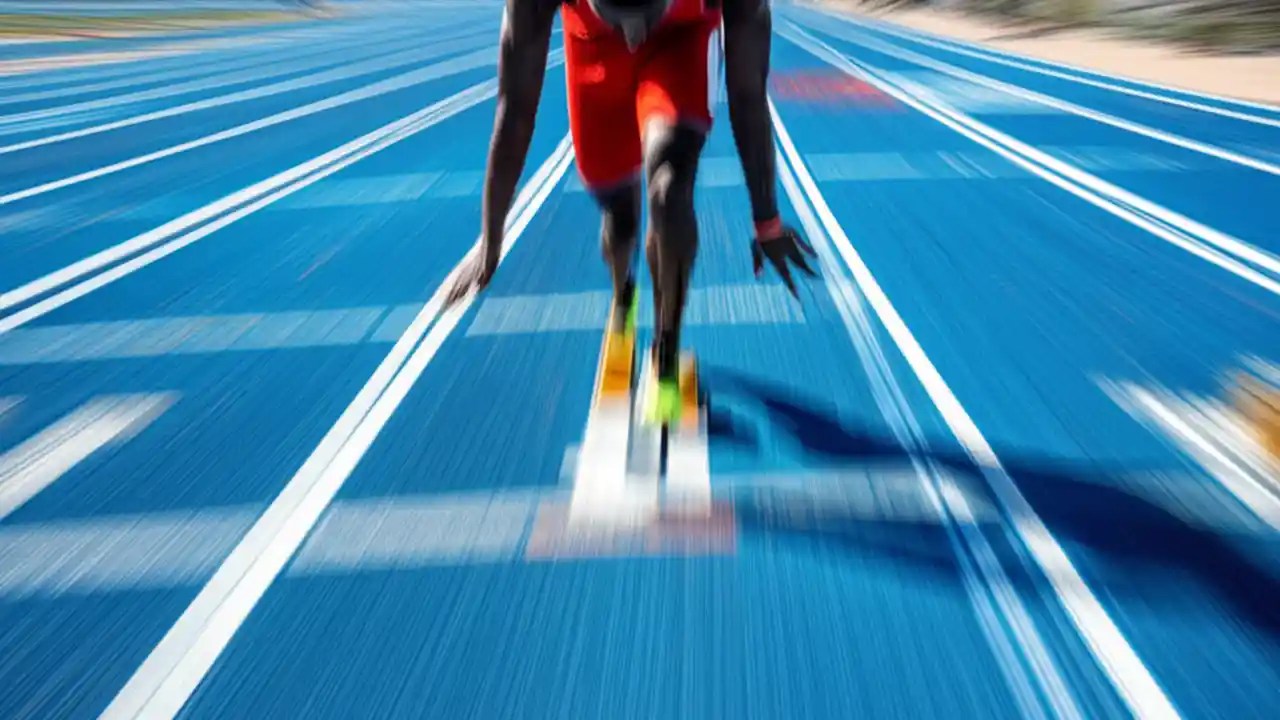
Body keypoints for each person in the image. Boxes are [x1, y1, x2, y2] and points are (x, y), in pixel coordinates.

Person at [446, 0, 817, 424]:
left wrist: (767, 222)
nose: (635, 34)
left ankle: (666, 356)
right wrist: (490, 242)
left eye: (644, 16)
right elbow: (514, 111)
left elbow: (749, 94)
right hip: (593, 51)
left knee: (669, 190)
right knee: (618, 215)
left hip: (681, 43)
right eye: (625, 16)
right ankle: (624, 296)